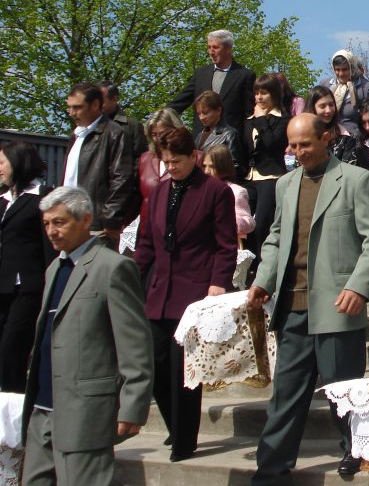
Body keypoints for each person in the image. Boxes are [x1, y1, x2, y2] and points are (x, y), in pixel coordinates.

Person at [247, 114, 369, 481]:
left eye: (305, 145)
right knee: (285, 398)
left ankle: (354, 450)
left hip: (337, 307)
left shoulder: (356, 180)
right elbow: (276, 238)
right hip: (292, 308)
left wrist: (359, 287)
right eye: (293, 146)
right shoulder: (286, 184)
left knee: (343, 394)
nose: (298, 153)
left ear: (326, 138)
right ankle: (271, 468)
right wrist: (263, 280)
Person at [22, 187, 153, 486]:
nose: (51, 231)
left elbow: (134, 344)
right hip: (43, 408)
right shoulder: (54, 268)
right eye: (46, 224)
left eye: (60, 222)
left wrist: (133, 403)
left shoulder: (114, 268)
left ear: (85, 220)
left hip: (84, 412)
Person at [133, 128, 236, 462]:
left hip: (195, 293)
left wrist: (218, 283)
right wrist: (132, 278)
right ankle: (173, 426)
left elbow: (225, 244)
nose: (171, 168)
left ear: (194, 156)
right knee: (155, 363)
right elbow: (147, 243)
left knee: (184, 370)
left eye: (176, 161)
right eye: (166, 162)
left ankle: (184, 439)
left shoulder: (216, 191)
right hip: (159, 291)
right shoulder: (157, 193)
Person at [0, 141, 53, 392]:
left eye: (2, 162)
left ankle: (16, 414)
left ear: (18, 163)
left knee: (12, 350)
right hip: (2, 286)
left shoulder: (42, 198)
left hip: (27, 288)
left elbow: (50, 247)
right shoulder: (2, 200)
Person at [61, 82, 135, 240]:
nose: (71, 113)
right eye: (69, 107)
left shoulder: (115, 134)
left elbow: (122, 179)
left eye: (77, 107)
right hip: (69, 219)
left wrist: (109, 220)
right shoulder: (76, 135)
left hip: (96, 226)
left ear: (95, 105)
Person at [168, 29, 257, 135]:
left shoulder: (245, 76)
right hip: (201, 142)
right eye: (209, 47)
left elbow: (249, 114)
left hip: (229, 143)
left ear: (228, 49)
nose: (210, 52)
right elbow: (180, 102)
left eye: (215, 47)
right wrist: (160, 118)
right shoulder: (201, 74)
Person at [137, 108, 204, 241]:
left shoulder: (197, 158)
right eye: (153, 134)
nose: (157, 139)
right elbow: (135, 198)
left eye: (162, 133)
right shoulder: (144, 160)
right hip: (147, 234)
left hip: (184, 235)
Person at [244, 73, 290, 256]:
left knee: (262, 223)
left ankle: (264, 265)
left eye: (264, 93)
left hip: (271, 176)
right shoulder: (248, 120)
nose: (259, 97)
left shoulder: (283, 120)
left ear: (274, 94)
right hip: (249, 177)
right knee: (241, 219)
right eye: (256, 93)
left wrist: (262, 119)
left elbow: (273, 144)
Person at [305, 86, 369, 170]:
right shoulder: (303, 143)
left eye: (331, 105)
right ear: (312, 108)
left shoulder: (348, 142)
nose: (328, 110)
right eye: (322, 106)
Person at [202, 144, 256, 239]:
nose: (206, 171)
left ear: (222, 167)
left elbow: (249, 223)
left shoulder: (236, 192)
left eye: (212, 166)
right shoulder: (198, 189)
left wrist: (229, 221)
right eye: (204, 166)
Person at [194, 90, 246, 173]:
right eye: (199, 114)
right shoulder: (199, 136)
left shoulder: (229, 134)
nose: (201, 117)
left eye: (205, 113)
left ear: (218, 110)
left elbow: (236, 167)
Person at [98, 82, 148, 160]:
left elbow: (141, 159)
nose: (96, 104)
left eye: (101, 100)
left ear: (115, 99)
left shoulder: (132, 126)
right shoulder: (87, 125)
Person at [328, 50, 368, 137]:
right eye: (337, 70)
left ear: (352, 67)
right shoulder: (327, 85)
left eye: (345, 69)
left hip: (355, 140)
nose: (341, 74)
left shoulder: (365, 87)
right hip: (330, 139)